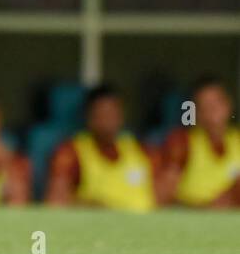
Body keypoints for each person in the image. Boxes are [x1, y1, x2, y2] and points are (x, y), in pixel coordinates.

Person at [46, 84, 155, 212]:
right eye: (102, 115)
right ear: (88, 117)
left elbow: (164, 197)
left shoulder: (141, 150)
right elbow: (56, 202)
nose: (108, 121)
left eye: (112, 114)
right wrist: (95, 208)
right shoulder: (71, 152)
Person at [156, 78, 240, 208]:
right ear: (197, 112)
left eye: (217, 103)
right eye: (205, 106)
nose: (212, 111)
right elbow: (161, 197)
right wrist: (207, 208)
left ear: (229, 105)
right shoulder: (182, 142)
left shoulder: (237, 140)